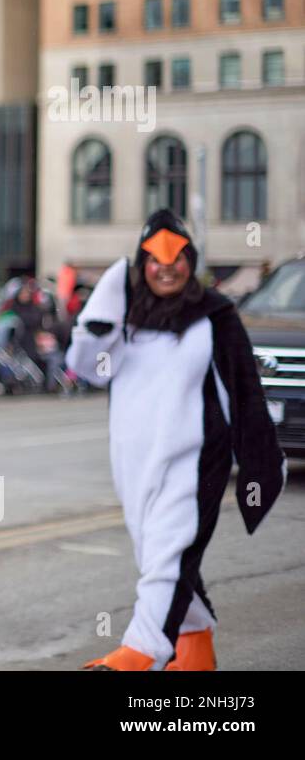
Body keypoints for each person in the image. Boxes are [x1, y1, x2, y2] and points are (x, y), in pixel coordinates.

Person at [69, 210, 286, 671]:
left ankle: (143, 649)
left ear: (191, 260)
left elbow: (245, 391)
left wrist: (261, 464)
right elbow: (87, 368)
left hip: (193, 464)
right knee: (158, 557)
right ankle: (195, 651)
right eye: (154, 259)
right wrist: (101, 318)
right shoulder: (128, 320)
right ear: (140, 265)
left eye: (177, 258)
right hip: (134, 466)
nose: (166, 267)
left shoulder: (216, 316)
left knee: (168, 555)